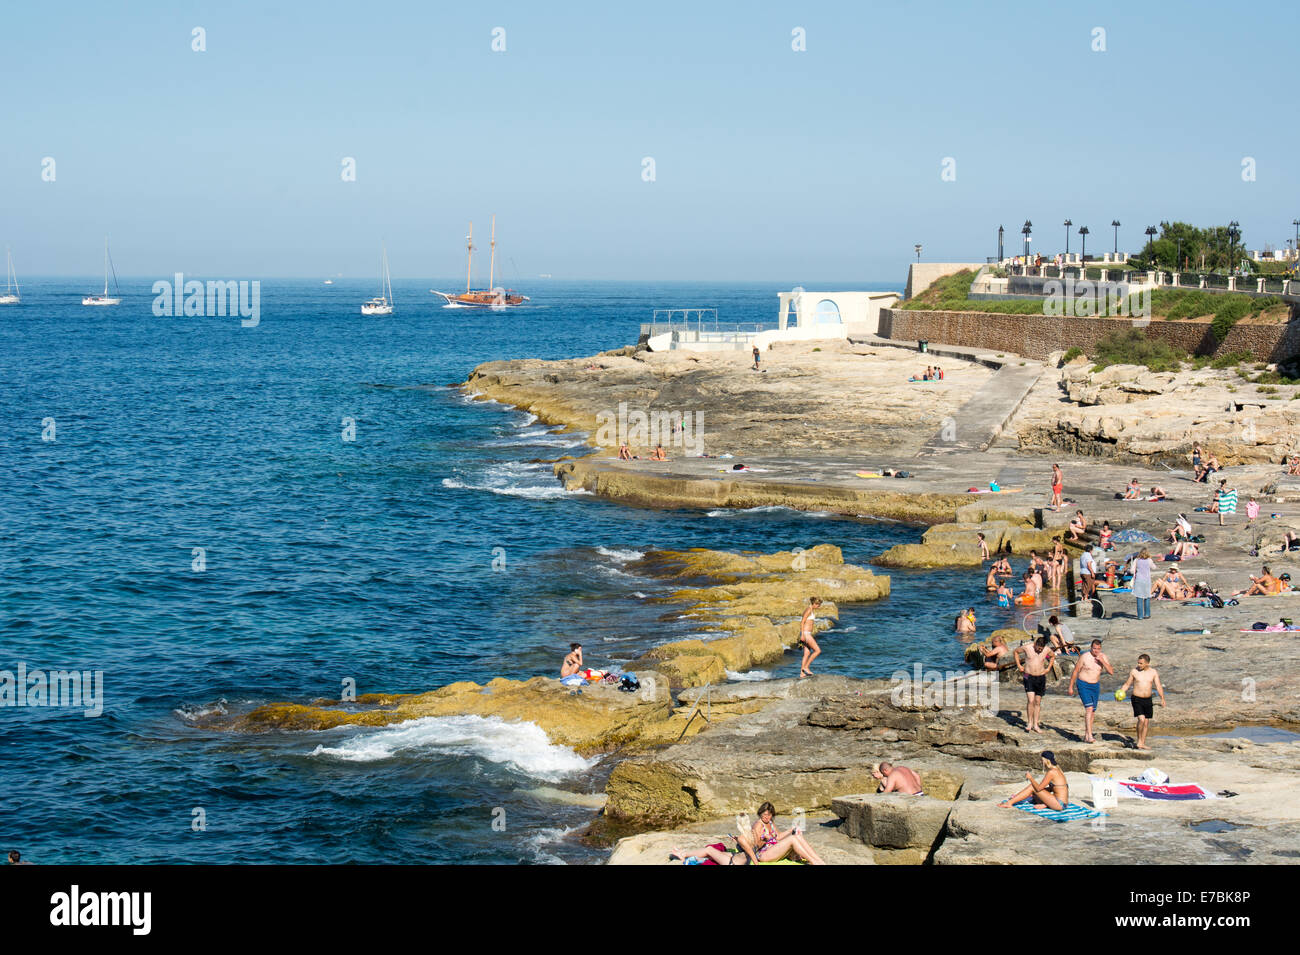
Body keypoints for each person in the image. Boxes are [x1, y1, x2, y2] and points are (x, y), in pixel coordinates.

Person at [1068, 639, 1115, 744]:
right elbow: (1075, 671)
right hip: (1083, 684)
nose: (1096, 651)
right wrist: (1070, 686)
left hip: (1095, 686)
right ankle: (1089, 736)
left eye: (1098, 649)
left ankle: (1086, 735)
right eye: (1094, 648)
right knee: (1089, 708)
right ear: (1091, 648)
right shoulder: (1085, 657)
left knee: (1093, 711)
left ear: (1100, 649)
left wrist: (1102, 661)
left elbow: (1111, 671)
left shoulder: (1103, 657)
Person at [749, 802, 825, 865]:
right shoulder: (758, 825)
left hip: (773, 850)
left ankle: (819, 861)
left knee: (797, 836)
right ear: (760, 813)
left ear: (772, 815)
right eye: (764, 814)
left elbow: (778, 836)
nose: (766, 817)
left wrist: (791, 830)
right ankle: (813, 862)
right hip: (763, 854)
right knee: (792, 839)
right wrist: (766, 840)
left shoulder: (770, 822)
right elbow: (755, 846)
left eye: (769, 815)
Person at [1118, 654, 1166, 750]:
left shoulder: (1153, 672)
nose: (1139, 665)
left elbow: (1158, 686)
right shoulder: (1134, 671)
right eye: (1138, 663)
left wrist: (1162, 698)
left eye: (1141, 663)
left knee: (1146, 722)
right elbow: (1127, 684)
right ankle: (1139, 741)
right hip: (1136, 699)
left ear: (1147, 663)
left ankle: (1142, 743)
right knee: (1141, 719)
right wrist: (1121, 692)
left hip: (1148, 699)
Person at [998, 751, 1069, 811]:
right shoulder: (1058, 770)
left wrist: (1030, 778)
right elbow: (1052, 789)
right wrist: (1036, 793)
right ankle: (1046, 804)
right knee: (1034, 794)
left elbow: (1038, 788)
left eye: (1042, 760)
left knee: (1032, 787)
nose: (1041, 762)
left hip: (1059, 804)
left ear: (1045, 760)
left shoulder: (1052, 772)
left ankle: (1009, 803)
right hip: (1063, 803)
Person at [1014, 636, 1055, 734]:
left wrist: (1048, 667)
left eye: (1041, 649)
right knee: (1031, 700)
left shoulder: (1046, 650)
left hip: (1040, 677)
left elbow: (1052, 656)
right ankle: (1029, 723)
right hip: (1029, 676)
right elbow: (1015, 652)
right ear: (1035, 644)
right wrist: (1019, 665)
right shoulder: (1027, 647)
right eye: (1038, 648)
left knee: (1037, 701)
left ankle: (1035, 724)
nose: (1039, 651)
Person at [670, 833, 760, 865]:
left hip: (732, 863)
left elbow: (752, 855)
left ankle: (683, 854)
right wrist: (736, 840)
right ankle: (684, 853)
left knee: (709, 849)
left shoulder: (742, 839)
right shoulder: (752, 838)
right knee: (713, 854)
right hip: (735, 858)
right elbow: (746, 852)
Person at [798, 596, 822, 678]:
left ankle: (802, 673)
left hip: (807, 633)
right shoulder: (808, 610)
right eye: (818, 605)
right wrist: (802, 635)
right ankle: (806, 667)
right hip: (806, 634)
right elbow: (802, 622)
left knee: (807, 653)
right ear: (814, 603)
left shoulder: (811, 610)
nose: (819, 606)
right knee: (817, 650)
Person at [1132, 548, 1155, 619]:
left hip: (1139, 580)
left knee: (1139, 597)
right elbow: (1154, 567)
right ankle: (1147, 614)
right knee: (1147, 597)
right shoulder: (1149, 560)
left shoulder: (1136, 560)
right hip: (1147, 581)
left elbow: (1132, 571)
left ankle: (1140, 616)